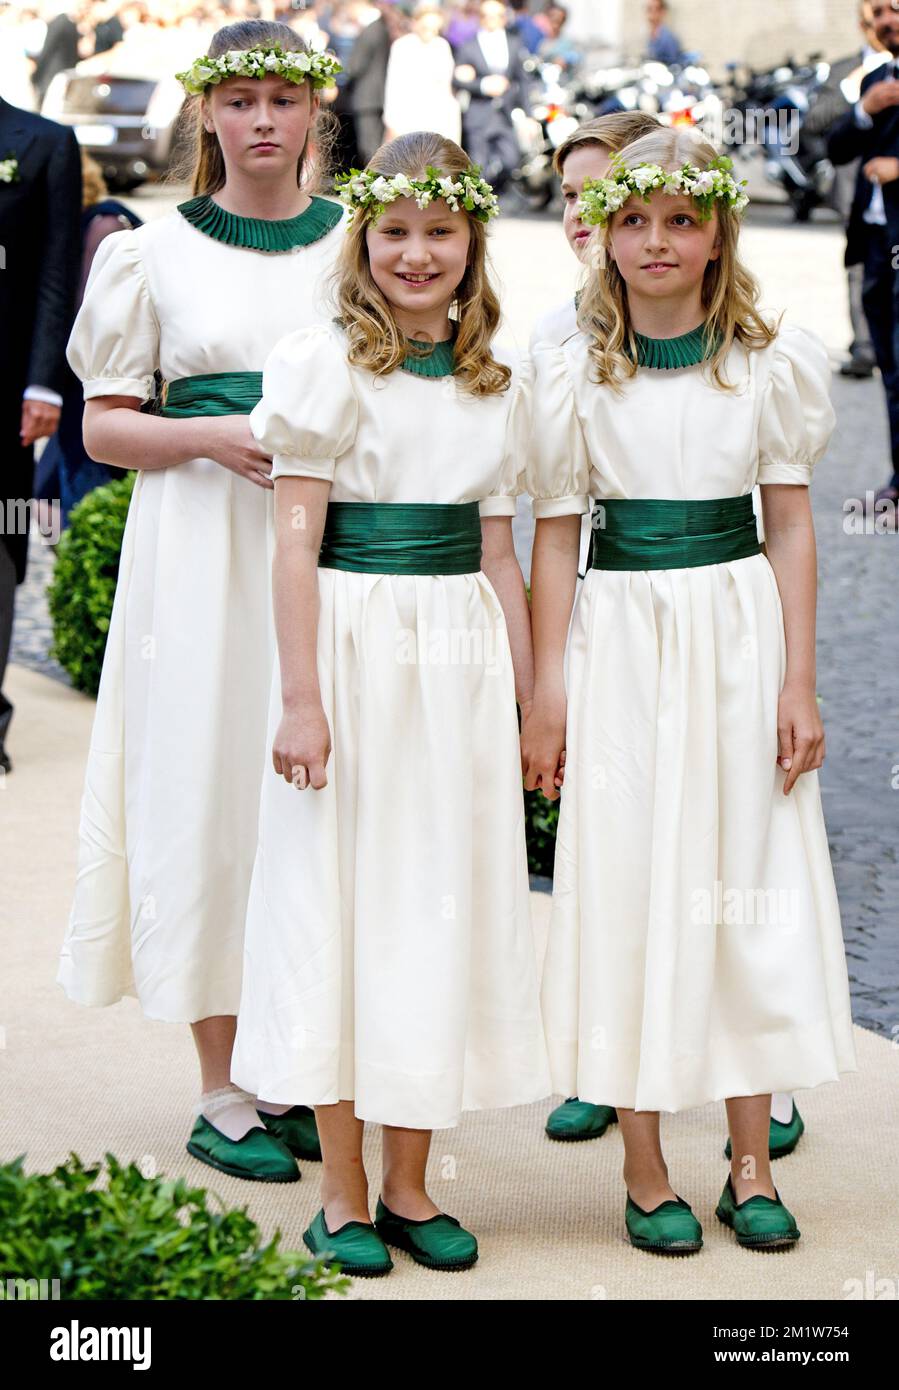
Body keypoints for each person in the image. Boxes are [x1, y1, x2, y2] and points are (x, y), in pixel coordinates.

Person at [522, 127, 857, 1254]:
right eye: (631, 220)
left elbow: (793, 527)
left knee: (743, 884)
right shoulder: (572, 368)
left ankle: (751, 1160)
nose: (654, 241)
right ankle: (644, 1161)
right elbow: (554, 540)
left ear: (717, 231)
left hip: (734, 635)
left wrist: (797, 681)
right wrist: (546, 689)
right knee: (627, 883)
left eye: (678, 219)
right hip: (617, 638)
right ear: (601, 234)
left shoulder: (765, 360)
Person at [229, 131, 551, 1276]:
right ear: (362, 240)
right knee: (340, 906)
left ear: (472, 246)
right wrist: (302, 699)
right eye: (395, 232)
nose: (417, 255)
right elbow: (292, 536)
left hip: (456, 661)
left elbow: (503, 557)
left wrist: (529, 700)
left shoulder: (495, 383)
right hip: (354, 650)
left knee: (436, 908)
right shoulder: (322, 363)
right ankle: (344, 1186)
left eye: (441, 234)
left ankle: (413, 1179)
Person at [57, 20, 347, 1184]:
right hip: (198, 548)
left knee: (310, 799)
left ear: (315, 114)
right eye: (241, 101)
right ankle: (221, 1083)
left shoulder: (358, 244)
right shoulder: (152, 251)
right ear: (207, 116)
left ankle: (293, 1059)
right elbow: (103, 424)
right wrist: (207, 436)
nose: (263, 121)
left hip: (335, 550)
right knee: (205, 791)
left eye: (284, 99)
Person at [0, 93, 81, 775]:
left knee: (1, 545)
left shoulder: (44, 142)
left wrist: (43, 383)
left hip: (7, 386)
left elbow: (55, 272)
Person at [38, 151, 142, 527]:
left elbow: (93, 321)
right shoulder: (71, 228)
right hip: (76, 394)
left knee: (83, 502)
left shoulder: (104, 224)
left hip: (105, 392)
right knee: (47, 501)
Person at [828, 0, 899, 510]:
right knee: (890, 369)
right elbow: (833, 148)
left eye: (895, 8)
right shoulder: (876, 76)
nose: (887, 20)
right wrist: (863, 111)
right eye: (879, 12)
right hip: (875, 245)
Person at [804, 1, 886, 380]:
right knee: (860, 267)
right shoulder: (844, 71)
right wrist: (854, 95)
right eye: (875, 17)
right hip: (857, 187)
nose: (883, 24)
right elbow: (816, 123)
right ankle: (865, 346)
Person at [453, 0, 531, 194]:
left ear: (504, 18)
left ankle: (495, 194)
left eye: (497, 15)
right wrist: (483, 85)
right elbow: (458, 79)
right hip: (479, 113)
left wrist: (528, 114)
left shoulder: (514, 42)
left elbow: (523, 80)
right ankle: (480, 206)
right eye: (486, 15)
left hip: (505, 113)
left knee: (510, 160)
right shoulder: (468, 45)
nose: (491, 20)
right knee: (478, 165)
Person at [383, 2, 461, 144]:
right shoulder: (402, 46)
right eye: (426, 27)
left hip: (439, 119)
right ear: (415, 23)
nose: (430, 32)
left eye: (434, 29)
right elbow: (393, 87)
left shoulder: (442, 46)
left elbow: (447, 88)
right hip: (408, 119)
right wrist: (391, 122)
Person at [344, 0, 392, 163]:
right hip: (374, 97)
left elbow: (355, 66)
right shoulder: (379, 27)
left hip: (367, 98)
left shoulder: (371, 30)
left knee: (369, 148)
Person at [644, 0, 683, 68]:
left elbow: (674, 66)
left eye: (653, 9)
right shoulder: (652, 35)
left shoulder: (668, 38)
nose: (650, 14)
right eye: (648, 9)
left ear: (662, 12)